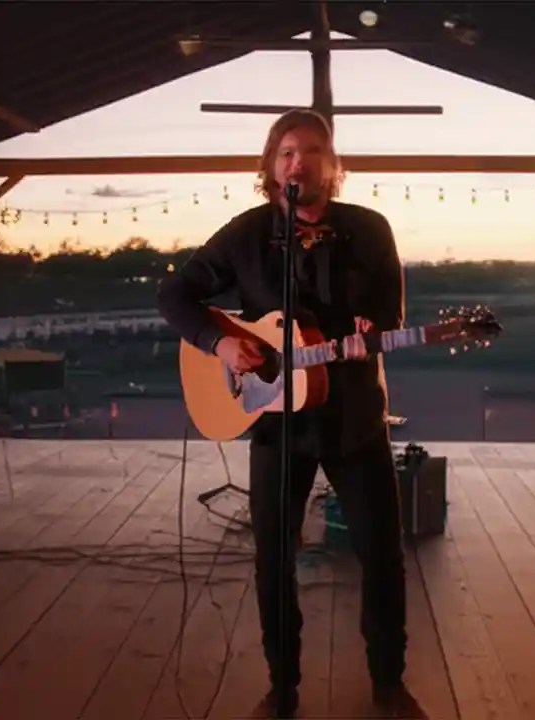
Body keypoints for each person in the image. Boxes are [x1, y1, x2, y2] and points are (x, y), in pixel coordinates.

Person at [157, 109, 426, 718]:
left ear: (332, 165)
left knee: (381, 554)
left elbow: (391, 316)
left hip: (354, 416)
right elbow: (174, 294)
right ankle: (283, 685)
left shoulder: (370, 230)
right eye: (285, 152)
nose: (297, 161)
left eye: (310, 150)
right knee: (273, 558)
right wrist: (220, 342)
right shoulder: (248, 234)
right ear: (271, 166)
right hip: (277, 422)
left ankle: (389, 681)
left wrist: (372, 329)